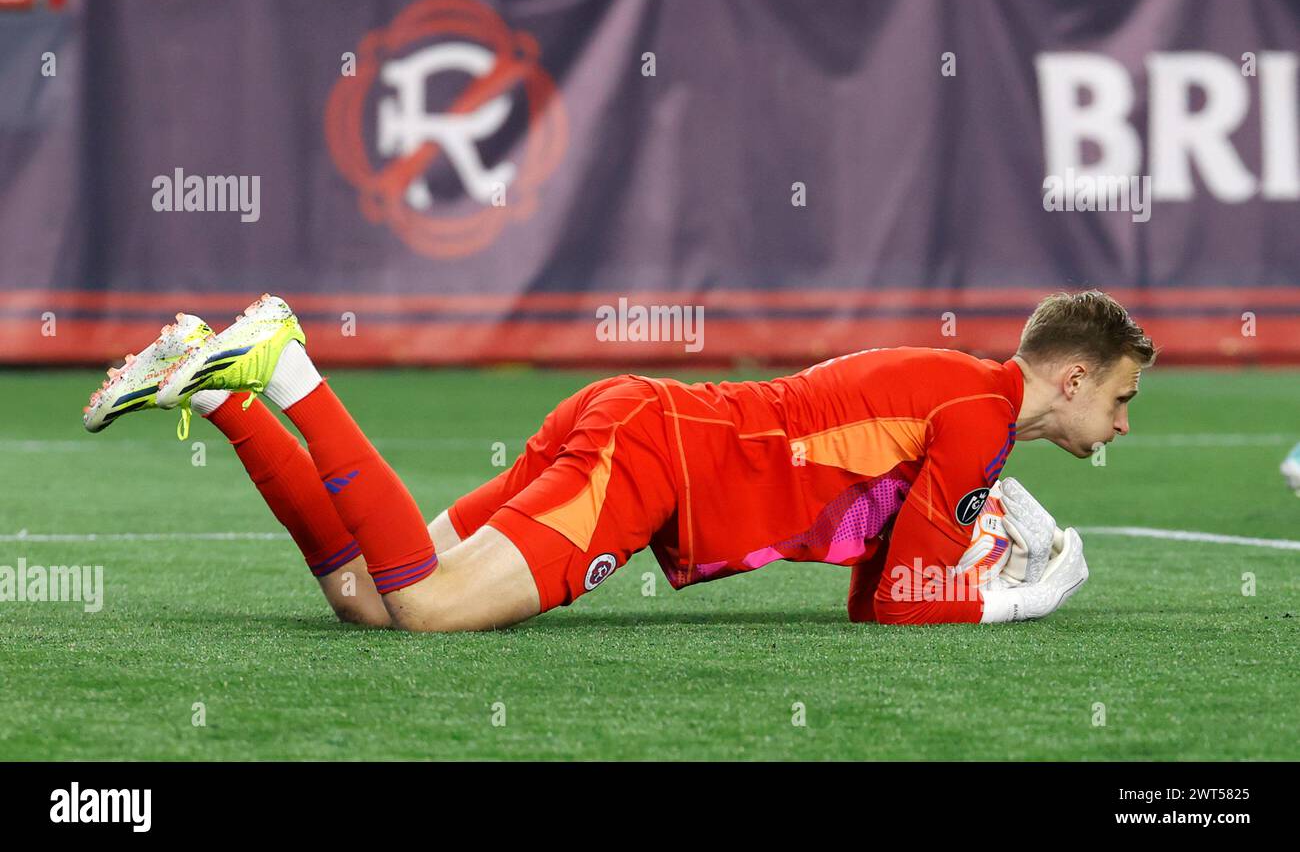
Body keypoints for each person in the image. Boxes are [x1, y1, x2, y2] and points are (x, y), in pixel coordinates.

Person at [83, 289, 1153, 630]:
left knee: (369, 597)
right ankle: (288, 369)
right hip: (653, 461)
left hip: (636, 419)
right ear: (1069, 377)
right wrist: (1022, 595)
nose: (1122, 424)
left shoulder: (964, 397)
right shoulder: (976, 412)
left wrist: (960, 536)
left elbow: (887, 568)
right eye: (1120, 397)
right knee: (424, 612)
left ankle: (224, 390)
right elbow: (896, 607)